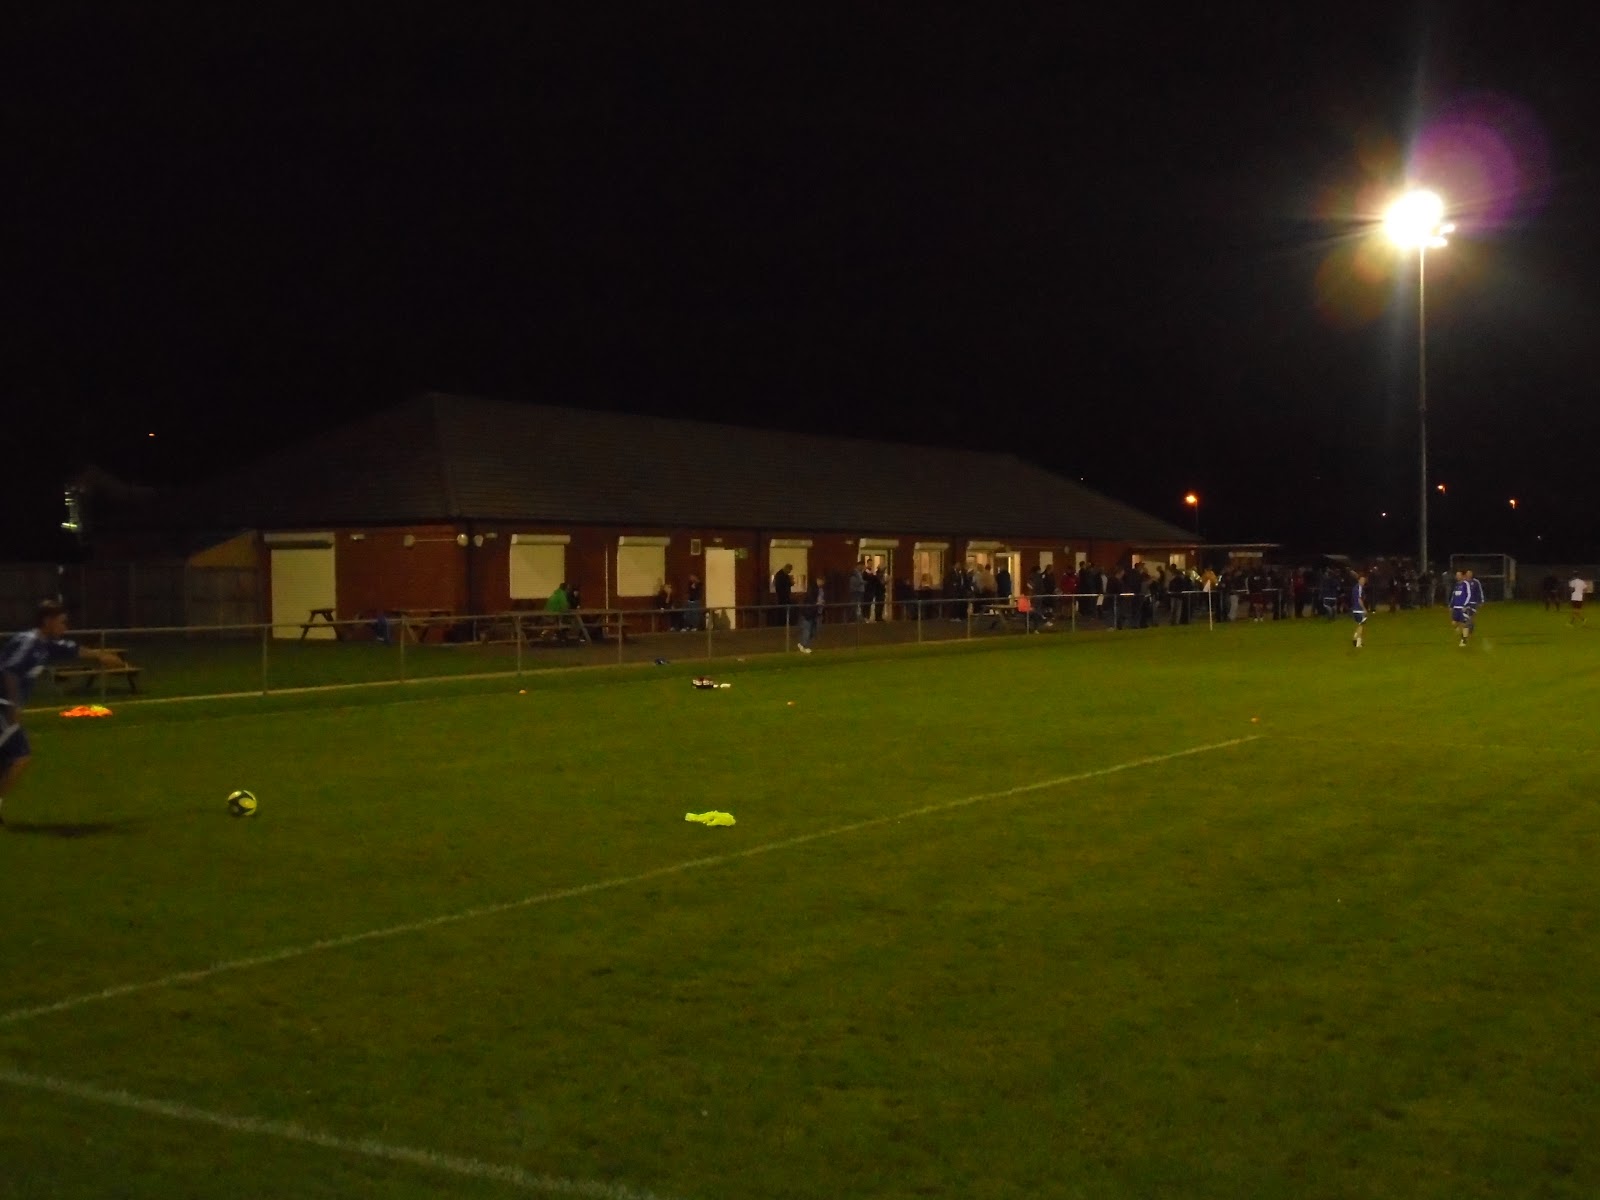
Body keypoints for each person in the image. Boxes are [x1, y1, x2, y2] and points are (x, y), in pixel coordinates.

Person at [1, 600, 120, 826]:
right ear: (47, 621)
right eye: (62, 622)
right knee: (20, 756)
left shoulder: (45, 644)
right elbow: (9, 671)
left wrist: (100, 656)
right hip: (3, 706)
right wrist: (14, 706)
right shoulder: (29, 643)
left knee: (12, 759)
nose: (65, 627)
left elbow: (72, 648)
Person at [797, 575, 824, 653]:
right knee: (807, 630)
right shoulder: (812, 589)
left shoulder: (820, 590)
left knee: (813, 631)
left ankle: (803, 644)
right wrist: (817, 603)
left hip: (815, 613)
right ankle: (804, 646)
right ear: (818, 580)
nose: (822, 583)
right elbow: (809, 600)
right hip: (809, 613)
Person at [1449, 569, 1473, 647]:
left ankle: (1464, 639)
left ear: (1462, 576)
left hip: (1463, 608)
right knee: (1454, 623)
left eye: (1459, 575)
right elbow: (1454, 595)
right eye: (1456, 575)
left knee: (1464, 624)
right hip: (1456, 607)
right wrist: (1451, 605)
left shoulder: (1465, 584)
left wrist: (1465, 605)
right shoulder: (1456, 585)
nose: (1457, 576)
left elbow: (1469, 595)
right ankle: (1462, 631)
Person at [1350, 572, 1368, 649]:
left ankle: (1355, 639)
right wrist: (1364, 609)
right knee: (1361, 626)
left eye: (1364, 580)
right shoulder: (1359, 588)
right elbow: (1359, 599)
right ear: (1358, 580)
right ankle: (1357, 642)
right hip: (1358, 610)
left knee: (1359, 625)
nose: (1363, 582)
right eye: (1362, 580)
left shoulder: (1356, 588)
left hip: (1355, 609)